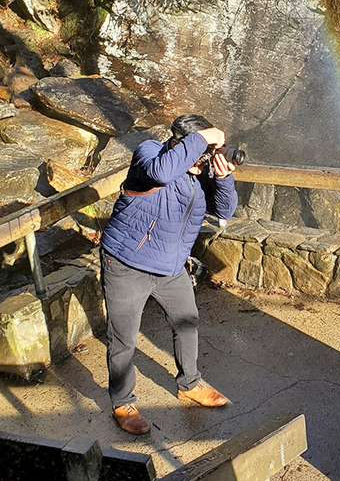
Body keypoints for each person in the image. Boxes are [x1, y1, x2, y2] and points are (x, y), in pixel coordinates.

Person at [100, 114, 238, 435]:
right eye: (200, 150)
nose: (203, 159)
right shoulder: (149, 153)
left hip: (171, 268)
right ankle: (122, 403)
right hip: (127, 263)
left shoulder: (198, 173)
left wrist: (223, 178)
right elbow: (160, 174)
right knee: (124, 339)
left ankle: (189, 384)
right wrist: (203, 139)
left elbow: (224, 210)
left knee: (187, 323)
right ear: (179, 143)